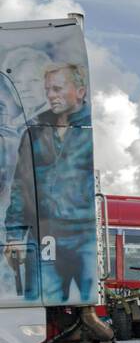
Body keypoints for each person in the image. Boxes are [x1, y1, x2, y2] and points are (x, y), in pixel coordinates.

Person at [3, 63, 96, 303]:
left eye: (57, 88)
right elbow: (21, 186)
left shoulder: (92, 129)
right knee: (41, 300)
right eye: (48, 90)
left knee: (88, 298)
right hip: (45, 233)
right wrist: (14, 235)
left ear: (80, 91)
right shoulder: (35, 130)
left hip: (85, 234)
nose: (51, 95)